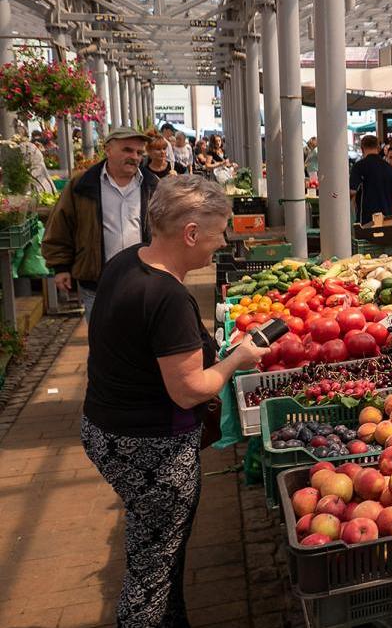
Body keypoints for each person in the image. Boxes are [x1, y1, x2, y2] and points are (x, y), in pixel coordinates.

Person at [80, 175, 269, 627]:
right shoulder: (166, 296)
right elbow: (190, 389)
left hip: (106, 428)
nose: (221, 243)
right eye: (218, 232)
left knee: (159, 545)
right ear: (190, 233)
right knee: (153, 567)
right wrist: (237, 359)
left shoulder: (126, 262)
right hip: (149, 446)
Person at [44, 127, 158, 320]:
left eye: (139, 152)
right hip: (97, 282)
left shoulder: (152, 185)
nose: (135, 157)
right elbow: (61, 226)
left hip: (143, 279)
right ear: (108, 149)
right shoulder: (82, 185)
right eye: (127, 150)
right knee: (101, 341)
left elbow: (166, 228)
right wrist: (61, 267)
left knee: (141, 341)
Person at [349, 134, 392, 223]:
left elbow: (352, 191)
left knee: (366, 237)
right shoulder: (388, 167)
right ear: (378, 148)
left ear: (362, 148)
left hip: (366, 220)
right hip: (387, 219)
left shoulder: (359, 166)